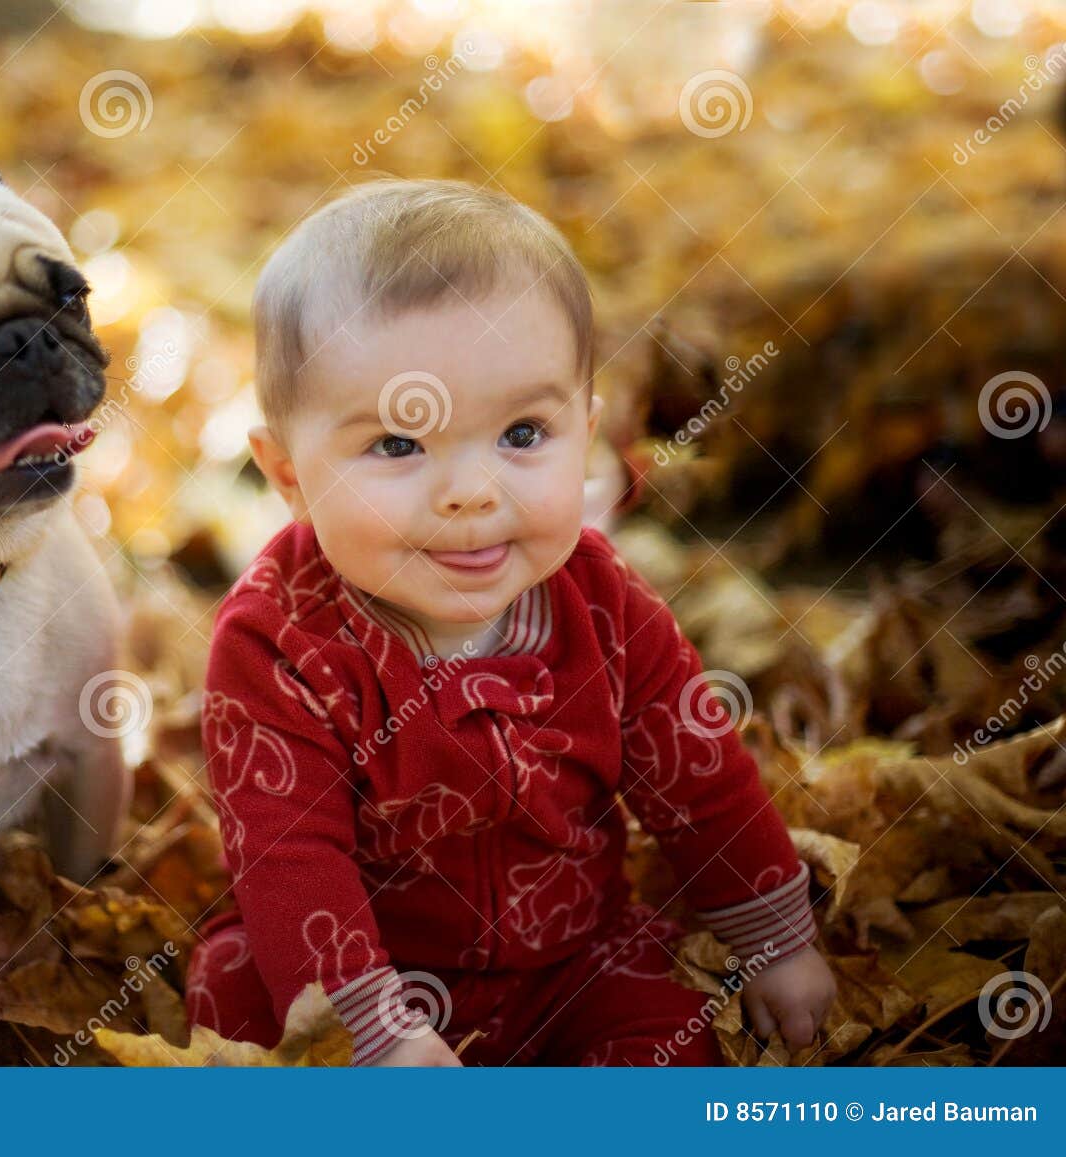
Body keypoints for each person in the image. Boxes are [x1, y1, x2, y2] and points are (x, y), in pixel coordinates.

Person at [185, 178, 836, 1066]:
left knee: (668, 1031)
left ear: (589, 433)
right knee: (236, 994)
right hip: (368, 966)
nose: (471, 491)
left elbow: (699, 771)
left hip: (573, 955)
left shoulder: (599, 603)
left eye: (524, 434)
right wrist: (373, 1032)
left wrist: (775, 935)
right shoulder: (279, 642)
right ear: (288, 471)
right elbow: (291, 862)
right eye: (398, 444)